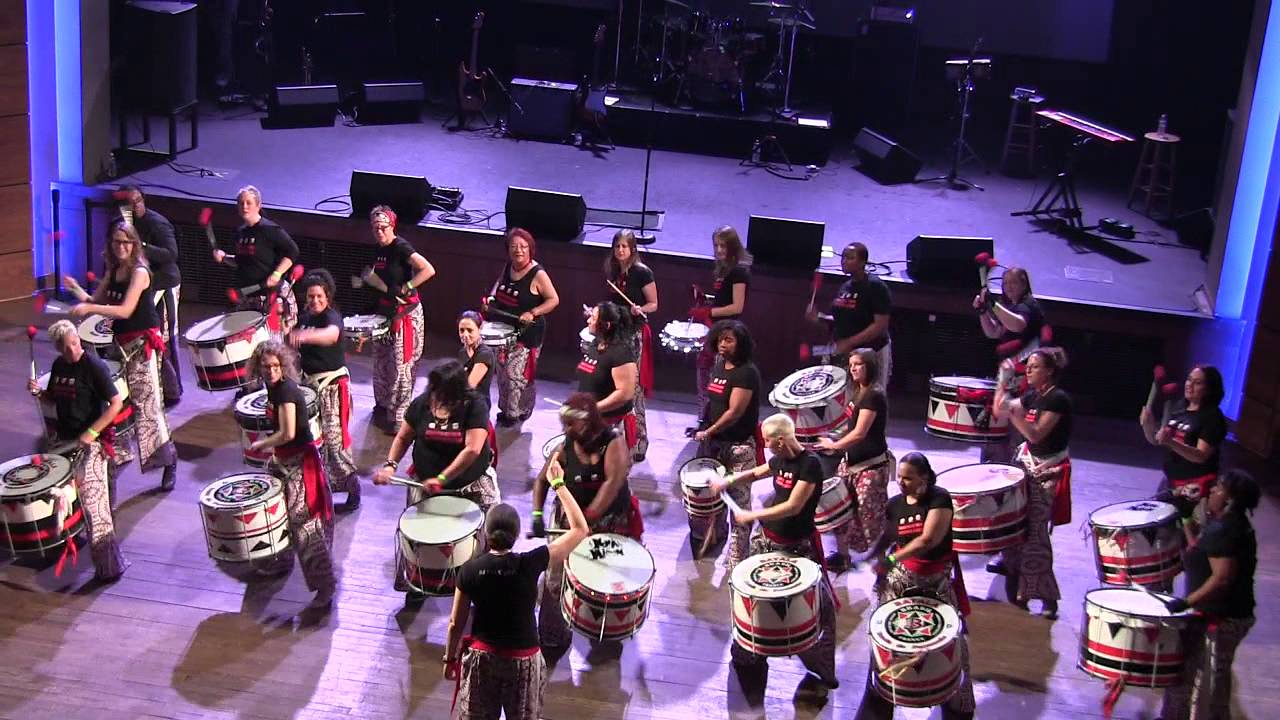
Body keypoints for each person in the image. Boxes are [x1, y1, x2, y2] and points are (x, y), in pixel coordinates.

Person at [709, 413, 838, 702]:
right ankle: (745, 654)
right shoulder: (779, 459)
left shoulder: (810, 466)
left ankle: (823, 670)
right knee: (747, 597)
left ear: (780, 441)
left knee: (819, 611)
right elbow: (757, 472)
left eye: (767, 440)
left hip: (797, 548)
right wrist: (729, 479)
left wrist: (751, 514)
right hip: (766, 540)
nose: (763, 444)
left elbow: (793, 507)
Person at [444, 486, 590, 720]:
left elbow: (455, 623)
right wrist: (559, 485)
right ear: (516, 533)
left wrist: (450, 659)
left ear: (485, 533)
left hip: (484, 659)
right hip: (524, 660)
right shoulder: (530, 563)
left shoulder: (469, 571)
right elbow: (580, 529)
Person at [855, 452, 975, 720]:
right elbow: (888, 535)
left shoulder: (939, 498)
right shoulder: (895, 504)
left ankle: (958, 709)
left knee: (953, 644)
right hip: (900, 582)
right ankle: (878, 706)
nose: (901, 482)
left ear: (924, 477)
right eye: (899, 477)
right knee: (884, 640)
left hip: (937, 584)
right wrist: (872, 556)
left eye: (908, 478)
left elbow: (929, 539)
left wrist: (890, 559)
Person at [67, 221, 178, 490]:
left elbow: (126, 310)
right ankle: (121, 453)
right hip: (120, 344)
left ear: (135, 243)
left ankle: (168, 462)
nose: (121, 247)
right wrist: (78, 293)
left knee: (148, 407)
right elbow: (96, 299)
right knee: (117, 401)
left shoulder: (140, 272)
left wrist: (90, 309)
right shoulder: (114, 269)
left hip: (141, 344)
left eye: (126, 242)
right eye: (117, 242)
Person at [375, 362, 501, 597]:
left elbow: (473, 449)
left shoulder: (474, 405)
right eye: (433, 388)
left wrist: (443, 478)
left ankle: (483, 584)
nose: (435, 394)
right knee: (415, 531)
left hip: (469, 483)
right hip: (426, 482)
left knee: (492, 528)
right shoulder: (422, 404)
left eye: (441, 390)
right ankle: (415, 579)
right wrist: (390, 466)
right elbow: (403, 437)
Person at [530, 393, 642, 651]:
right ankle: (552, 636)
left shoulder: (613, 442)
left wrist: (587, 521)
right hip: (570, 519)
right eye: (564, 424)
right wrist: (537, 514)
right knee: (554, 578)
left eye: (571, 424)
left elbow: (612, 484)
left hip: (607, 521)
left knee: (607, 576)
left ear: (589, 421)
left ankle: (607, 630)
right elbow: (542, 480)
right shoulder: (565, 447)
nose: (566, 430)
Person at [27, 320, 128, 582]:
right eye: (66, 346)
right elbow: (56, 398)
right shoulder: (60, 366)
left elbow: (116, 403)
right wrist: (39, 393)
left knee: (97, 507)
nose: (73, 349)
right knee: (67, 499)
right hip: (66, 441)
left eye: (75, 343)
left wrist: (92, 432)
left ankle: (110, 568)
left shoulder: (94, 366)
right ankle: (68, 541)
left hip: (91, 442)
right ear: (58, 348)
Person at [245, 341, 338, 610]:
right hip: (283, 459)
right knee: (271, 511)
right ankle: (277, 560)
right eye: (267, 367)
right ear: (259, 368)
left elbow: (287, 433)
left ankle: (325, 585)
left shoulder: (285, 391)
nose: (272, 371)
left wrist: (260, 444)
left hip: (299, 463)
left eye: (276, 366)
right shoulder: (272, 389)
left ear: (283, 366)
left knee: (304, 525)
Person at [1159, 469, 1258, 720]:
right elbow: (1198, 551)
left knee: (1211, 682)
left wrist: (1185, 602)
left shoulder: (1226, 529)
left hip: (1222, 618)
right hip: (1214, 613)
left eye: (1219, 488)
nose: (1212, 490)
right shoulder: (1227, 524)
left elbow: (1222, 577)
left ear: (1230, 499)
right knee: (1186, 670)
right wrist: (1185, 518)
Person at [992, 348, 1072, 618]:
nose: (1029, 370)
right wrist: (1002, 380)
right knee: (1014, 530)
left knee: (1037, 536)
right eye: (1028, 366)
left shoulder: (1057, 399)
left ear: (1049, 371)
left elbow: (1036, 435)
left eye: (1035, 366)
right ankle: (1020, 591)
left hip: (1047, 471)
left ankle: (1048, 598)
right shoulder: (1032, 396)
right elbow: (999, 411)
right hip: (1026, 468)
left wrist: (1014, 415)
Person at [816, 348, 894, 572]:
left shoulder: (873, 395)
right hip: (850, 463)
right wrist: (834, 438)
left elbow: (860, 433)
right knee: (841, 509)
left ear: (870, 365)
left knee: (869, 518)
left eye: (858, 364)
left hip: (870, 466)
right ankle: (842, 557)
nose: (853, 368)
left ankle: (882, 562)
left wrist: (834, 446)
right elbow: (850, 427)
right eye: (851, 364)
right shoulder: (858, 392)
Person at [290, 269, 360, 512]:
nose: (315, 301)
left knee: (336, 442)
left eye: (319, 296)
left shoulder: (333, 317)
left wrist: (304, 336)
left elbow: (331, 336)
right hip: (309, 387)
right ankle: (322, 490)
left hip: (331, 389)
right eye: (311, 297)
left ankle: (353, 490)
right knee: (315, 441)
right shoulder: (305, 318)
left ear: (327, 296)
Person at [693, 320, 762, 568]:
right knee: (713, 500)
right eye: (721, 339)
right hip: (716, 446)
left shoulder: (747, 372)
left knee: (739, 505)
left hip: (739, 448)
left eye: (729, 340)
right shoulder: (719, 365)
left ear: (740, 343)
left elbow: (734, 412)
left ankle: (737, 560)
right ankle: (715, 538)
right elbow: (713, 401)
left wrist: (709, 431)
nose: (723, 344)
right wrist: (704, 427)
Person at [361, 205, 436, 431]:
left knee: (402, 364)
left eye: (383, 227)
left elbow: (428, 269)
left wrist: (407, 286)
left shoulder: (401, 247)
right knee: (382, 360)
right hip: (384, 313)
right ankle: (384, 404)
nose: (379, 232)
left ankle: (400, 415)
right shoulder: (377, 250)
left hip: (406, 315)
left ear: (392, 226)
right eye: (375, 228)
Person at [485, 228, 559, 426]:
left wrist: (533, 312)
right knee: (501, 372)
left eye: (523, 247)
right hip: (505, 328)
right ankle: (506, 409)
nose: (518, 250)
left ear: (530, 249)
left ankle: (518, 410)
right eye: (514, 246)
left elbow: (553, 300)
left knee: (515, 373)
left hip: (528, 332)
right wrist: (490, 299)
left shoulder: (538, 274)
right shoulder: (508, 267)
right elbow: (498, 285)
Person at [118, 185, 183, 405]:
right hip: (141, 286)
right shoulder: (122, 225)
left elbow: (171, 254)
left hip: (163, 283)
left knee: (164, 336)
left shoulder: (157, 223)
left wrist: (141, 246)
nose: (132, 207)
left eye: (136, 202)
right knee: (144, 334)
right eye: (127, 204)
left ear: (143, 200)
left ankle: (173, 390)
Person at [975, 266, 1044, 463]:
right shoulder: (1011, 307)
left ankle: (1013, 479)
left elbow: (1018, 324)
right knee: (997, 433)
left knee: (1015, 435)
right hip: (1008, 379)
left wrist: (993, 305)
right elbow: (994, 332)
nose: (1008, 287)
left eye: (1013, 283)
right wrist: (983, 311)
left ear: (1024, 283)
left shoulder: (1028, 306)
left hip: (1024, 382)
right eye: (1005, 283)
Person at [213, 185, 301, 337]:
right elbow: (242, 262)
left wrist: (277, 273)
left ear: (258, 206)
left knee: (273, 343)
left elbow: (293, 251)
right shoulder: (240, 232)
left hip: (272, 296)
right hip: (249, 297)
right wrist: (224, 258)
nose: (244, 206)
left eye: (249, 203)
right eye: (241, 203)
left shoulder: (270, 229)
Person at [1141, 365, 1227, 517]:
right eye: (1189, 380)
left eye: (1197, 382)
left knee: (1181, 534)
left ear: (1209, 389)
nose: (1190, 385)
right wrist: (1148, 426)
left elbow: (1201, 456)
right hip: (1171, 481)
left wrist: (1171, 442)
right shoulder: (1179, 406)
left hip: (1195, 487)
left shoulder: (1212, 417)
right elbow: (1157, 440)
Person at [605, 229, 659, 461]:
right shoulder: (614, 270)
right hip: (617, 333)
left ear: (633, 249)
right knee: (614, 385)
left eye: (624, 247)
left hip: (634, 335)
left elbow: (654, 304)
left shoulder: (642, 272)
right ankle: (618, 436)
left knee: (633, 388)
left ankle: (640, 440)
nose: (620, 251)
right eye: (617, 246)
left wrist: (640, 308)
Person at [807, 242, 892, 385]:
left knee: (868, 398)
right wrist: (819, 318)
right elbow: (841, 320)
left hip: (870, 354)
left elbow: (880, 325)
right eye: (843, 257)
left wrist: (849, 342)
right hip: (847, 354)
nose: (844, 261)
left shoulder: (875, 286)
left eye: (850, 257)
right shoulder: (845, 287)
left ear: (863, 262)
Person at [690, 225, 749, 420]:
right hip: (716, 331)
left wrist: (708, 311)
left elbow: (737, 307)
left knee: (717, 381)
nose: (719, 250)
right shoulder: (723, 270)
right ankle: (704, 419)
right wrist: (706, 300)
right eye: (716, 245)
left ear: (733, 247)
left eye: (723, 246)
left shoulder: (739, 272)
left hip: (728, 335)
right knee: (705, 377)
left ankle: (714, 421)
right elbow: (723, 300)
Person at [576, 302, 640, 451]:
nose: (588, 321)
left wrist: (593, 409)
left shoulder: (621, 352)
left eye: (593, 318)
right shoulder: (595, 344)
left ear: (606, 325)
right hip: (591, 420)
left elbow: (624, 394)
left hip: (611, 426)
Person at [457, 310, 496, 402]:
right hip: (463, 400)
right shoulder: (462, 352)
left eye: (470, 330)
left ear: (479, 329)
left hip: (478, 405)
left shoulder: (484, 354)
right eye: (462, 330)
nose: (465, 335)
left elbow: (470, 385)